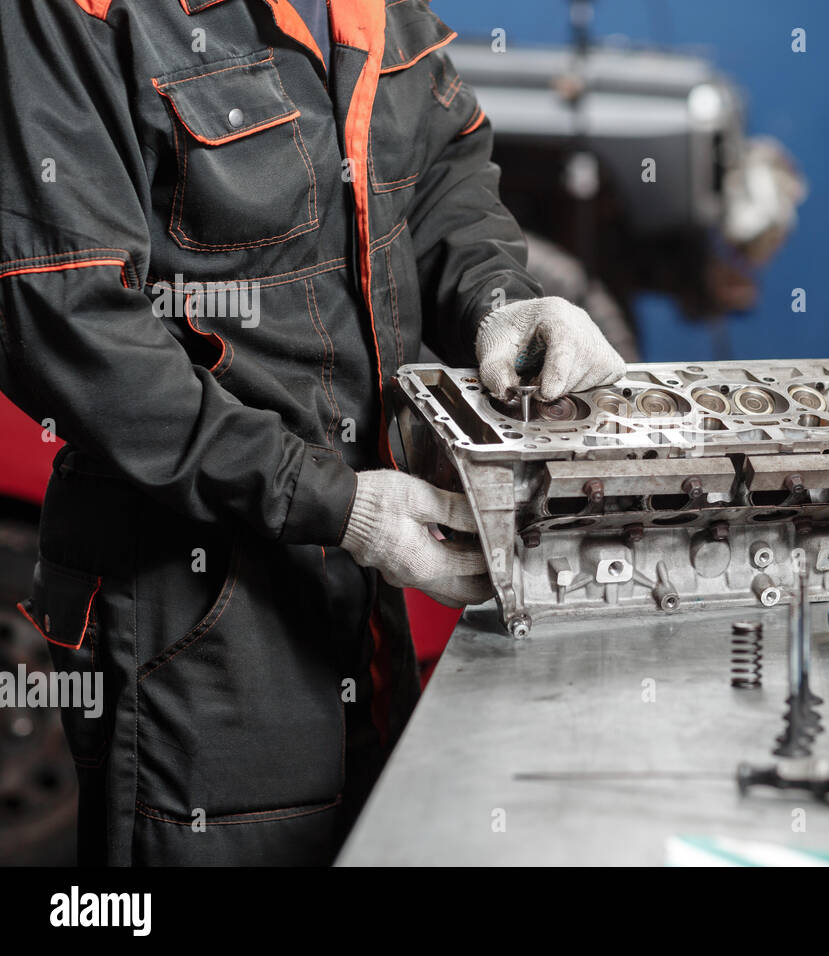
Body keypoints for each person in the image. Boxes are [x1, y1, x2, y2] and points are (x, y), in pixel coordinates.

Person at [0, 0, 623, 865]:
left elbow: (437, 169)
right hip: (196, 619)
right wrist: (335, 504)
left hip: (367, 585)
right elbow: (66, 318)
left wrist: (497, 300)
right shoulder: (76, 15)